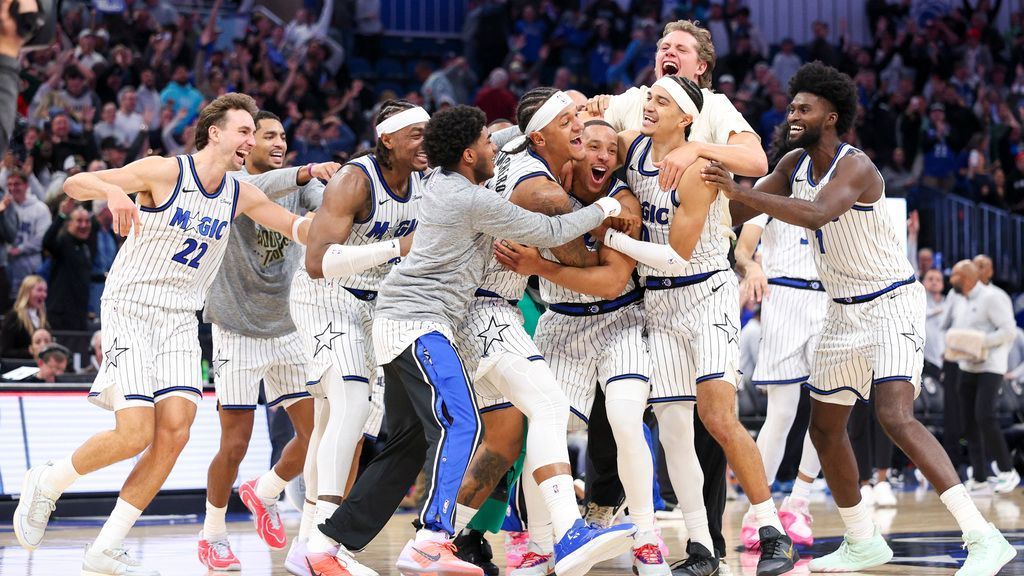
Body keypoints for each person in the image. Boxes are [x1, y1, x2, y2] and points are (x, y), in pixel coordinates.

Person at [703, 61, 1016, 575]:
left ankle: (982, 536)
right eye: (792, 105)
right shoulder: (791, 164)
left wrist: (739, 191)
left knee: (895, 416)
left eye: (804, 107)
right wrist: (703, 196)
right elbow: (743, 212)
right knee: (825, 431)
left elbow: (817, 213)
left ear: (832, 116)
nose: (793, 113)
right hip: (839, 310)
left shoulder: (856, 165)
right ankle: (863, 539)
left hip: (890, 303)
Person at [302, 104, 626, 576]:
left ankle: (326, 545)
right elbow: (550, 230)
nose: (494, 147)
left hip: (408, 317)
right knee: (461, 422)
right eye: (487, 142)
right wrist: (605, 207)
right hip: (418, 320)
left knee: (405, 448)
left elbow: (514, 141)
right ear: (469, 152)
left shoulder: (448, 183)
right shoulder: (467, 198)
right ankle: (432, 538)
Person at [12, 92, 316, 576]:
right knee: (135, 433)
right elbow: (75, 182)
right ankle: (49, 480)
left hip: (180, 318)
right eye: (243, 131)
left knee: (174, 433)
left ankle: (105, 547)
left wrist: (353, 226)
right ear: (215, 132)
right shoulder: (164, 171)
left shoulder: (241, 193)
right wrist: (112, 190)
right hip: (131, 308)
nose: (249, 141)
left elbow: (298, 227)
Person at [581, 21, 769, 566]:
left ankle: (714, 534)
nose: (667, 52)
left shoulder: (715, 108)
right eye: (663, 46)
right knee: (628, 411)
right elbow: (586, 126)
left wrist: (692, 149)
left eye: (680, 48)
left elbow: (756, 163)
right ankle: (609, 512)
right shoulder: (635, 104)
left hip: (698, 277)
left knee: (712, 421)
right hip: (645, 292)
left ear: (700, 66)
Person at [453, 92, 642, 576]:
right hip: (485, 309)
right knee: (551, 407)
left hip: (473, 306)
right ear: (540, 136)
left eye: (578, 116)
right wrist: (613, 214)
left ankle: (438, 537)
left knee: (501, 441)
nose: (579, 126)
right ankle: (565, 531)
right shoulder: (546, 193)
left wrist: (615, 195)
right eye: (568, 121)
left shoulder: (515, 151)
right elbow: (589, 264)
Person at [288, 99, 428, 576]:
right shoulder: (355, 180)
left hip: (378, 302)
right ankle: (325, 542)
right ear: (387, 139)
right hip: (326, 294)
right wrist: (396, 247)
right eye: (416, 135)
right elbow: (316, 261)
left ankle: (307, 543)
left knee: (338, 421)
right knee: (348, 402)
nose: (425, 143)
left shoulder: (426, 180)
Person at [198, 110, 337, 571]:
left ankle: (265, 491)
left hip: (289, 326)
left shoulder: (303, 183)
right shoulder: (229, 181)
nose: (278, 141)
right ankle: (213, 534)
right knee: (234, 445)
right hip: (236, 330)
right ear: (245, 141)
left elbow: (329, 204)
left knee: (316, 431)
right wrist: (305, 171)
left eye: (283, 135)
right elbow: (266, 187)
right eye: (267, 135)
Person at [734, 210, 825, 549]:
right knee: (782, 413)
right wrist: (752, 265)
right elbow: (743, 249)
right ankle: (758, 512)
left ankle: (800, 501)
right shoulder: (770, 184)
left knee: (827, 410)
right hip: (783, 295)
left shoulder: (839, 178)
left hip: (830, 297)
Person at [946, 260, 1020, 494]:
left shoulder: (993, 297)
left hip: (991, 366)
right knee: (968, 421)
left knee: (985, 416)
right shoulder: (958, 300)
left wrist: (979, 343)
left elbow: (1008, 331)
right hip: (966, 366)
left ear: (966, 278)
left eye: (955, 276)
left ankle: (1008, 471)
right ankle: (979, 477)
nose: (951, 280)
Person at [43, 200, 93, 330]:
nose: (84, 225)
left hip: (79, 314)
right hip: (61, 316)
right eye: (79, 221)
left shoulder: (85, 247)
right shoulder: (63, 242)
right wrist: (61, 215)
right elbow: (47, 242)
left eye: (87, 221)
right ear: (69, 223)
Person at [7, 169, 50, 302]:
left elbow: (42, 237)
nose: (13, 188)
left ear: (26, 185)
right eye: (10, 184)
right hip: (9, 264)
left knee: (30, 303)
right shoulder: (5, 206)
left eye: (17, 184)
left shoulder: (40, 208)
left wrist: (21, 249)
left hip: (31, 263)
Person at [0, 274, 47, 358]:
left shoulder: (43, 319)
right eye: (39, 290)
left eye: (45, 291)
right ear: (27, 292)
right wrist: (29, 352)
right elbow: (5, 351)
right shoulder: (14, 317)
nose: (44, 295)